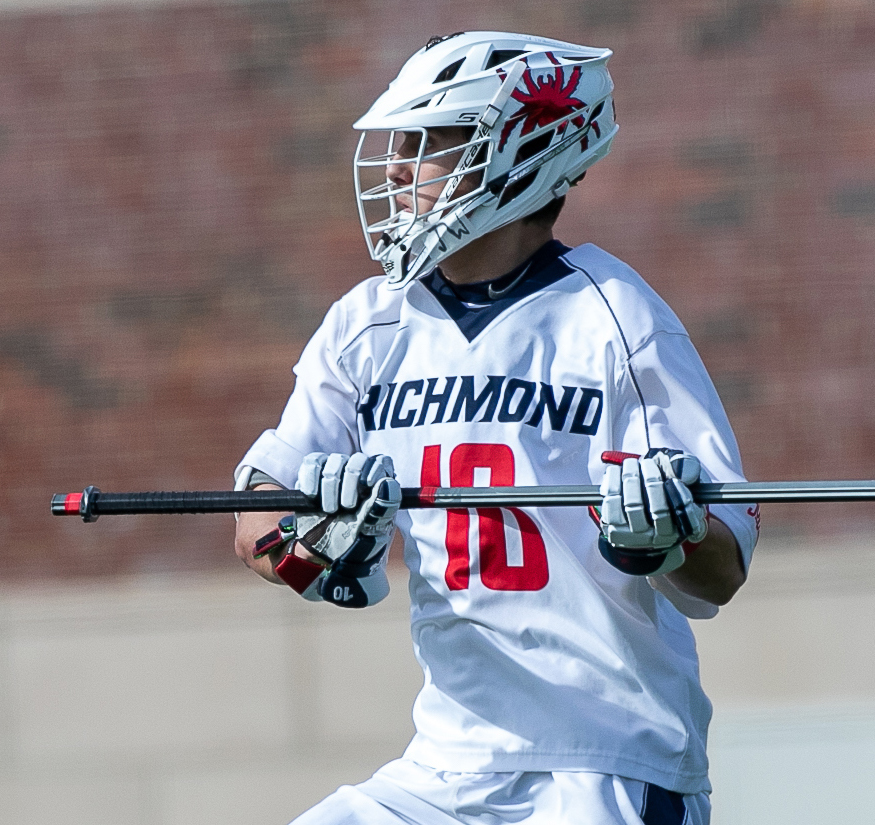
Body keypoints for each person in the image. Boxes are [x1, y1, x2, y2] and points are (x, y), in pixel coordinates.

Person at [232, 31, 758, 825]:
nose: (397, 169)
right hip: (446, 767)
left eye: (428, 142)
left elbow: (722, 570)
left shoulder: (615, 318)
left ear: (518, 153)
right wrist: (315, 541)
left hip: (607, 759)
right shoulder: (368, 325)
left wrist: (670, 536)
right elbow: (255, 521)